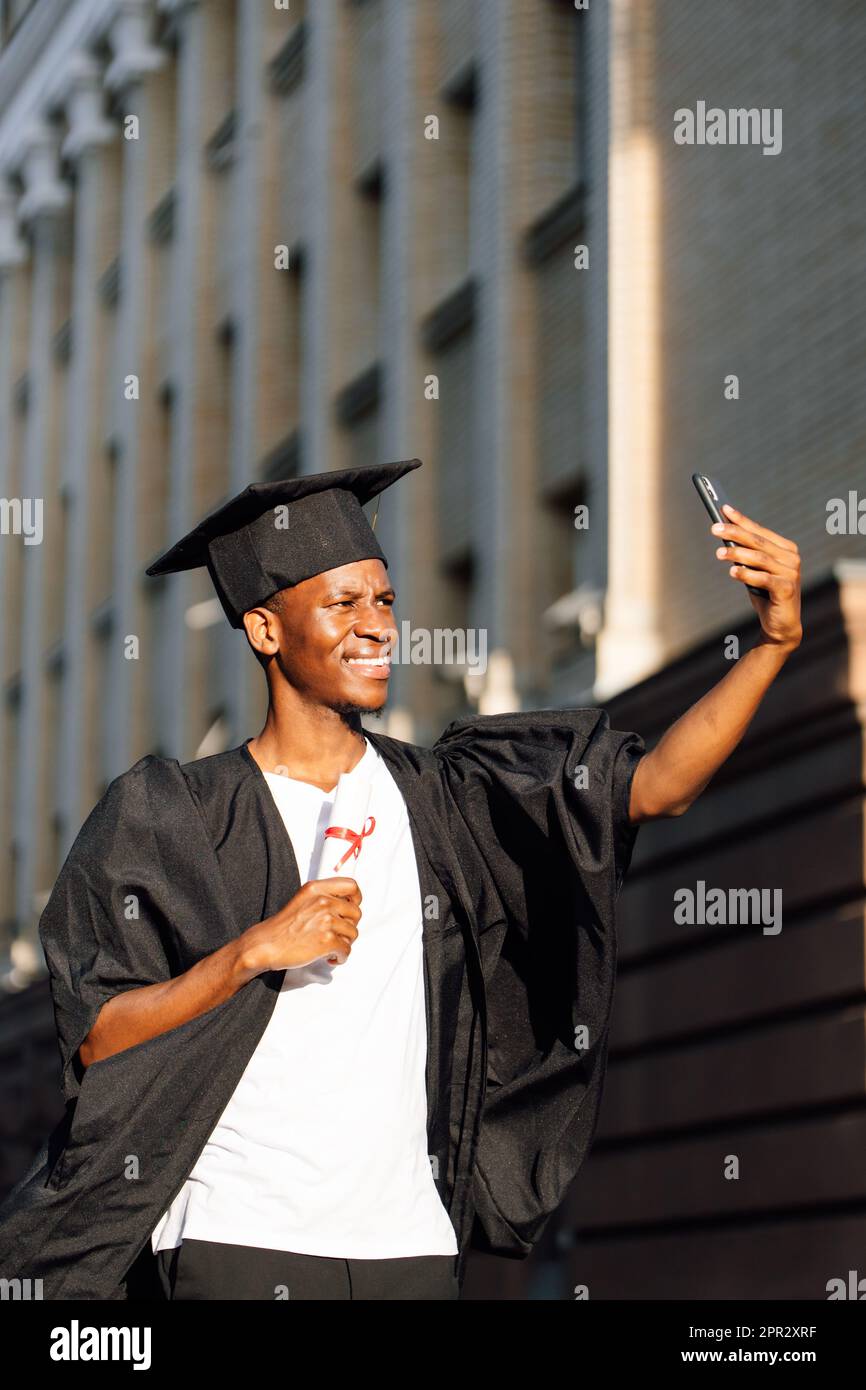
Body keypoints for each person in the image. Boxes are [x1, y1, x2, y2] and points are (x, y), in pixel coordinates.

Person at [0, 460, 802, 1300]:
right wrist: (247, 955)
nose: (378, 625)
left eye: (384, 601)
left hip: (408, 1245)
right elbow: (100, 1039)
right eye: (343, 604)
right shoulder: (171, 817)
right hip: (237, 1234)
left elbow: (656, 787)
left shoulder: (449, 794)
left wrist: (775, 642)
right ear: (267, 630)